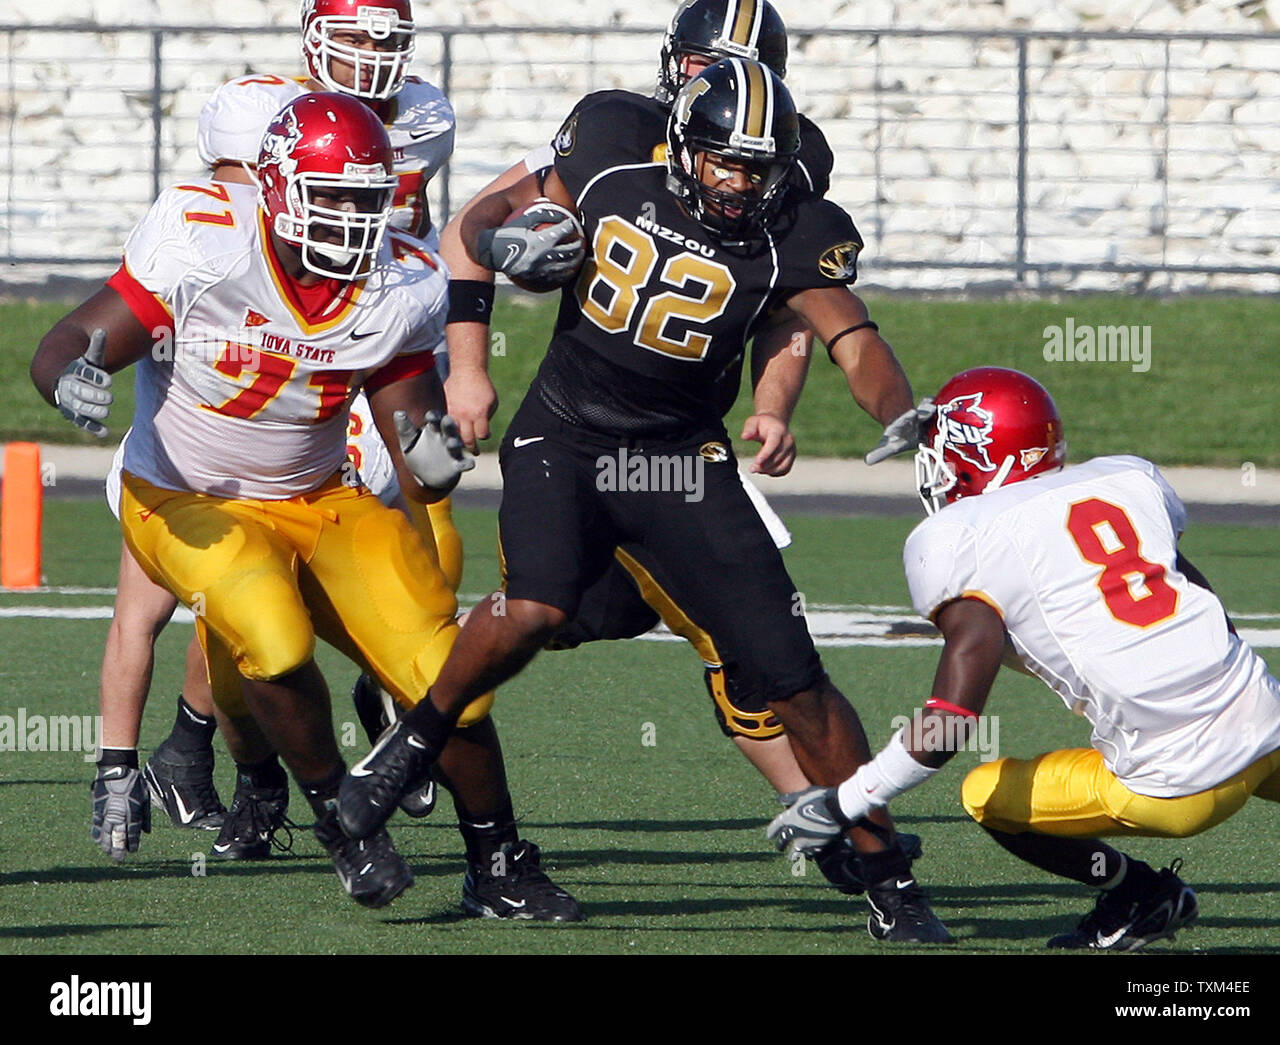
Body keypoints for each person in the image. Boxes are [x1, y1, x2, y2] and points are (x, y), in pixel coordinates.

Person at [339, 59, 949, 942]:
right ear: (687, 147)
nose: (742, 181)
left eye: (758, 166)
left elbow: (849, 333)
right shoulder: (615, 155)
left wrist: (901, 413)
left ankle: (888, 880)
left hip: (679, 458)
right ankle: (413, 742)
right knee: (540, 600)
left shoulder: (793, 226)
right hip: (567, 432)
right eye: (726, 161)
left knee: (793, 677)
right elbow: (478, 222)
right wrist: (491, 315)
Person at [35, 93, 580, 919]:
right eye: (330, 197)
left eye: (366, 199)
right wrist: (71, 373)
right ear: (279, 187)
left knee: (453, 679)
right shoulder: (208, 238)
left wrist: (437, 449)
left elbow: (414, 437)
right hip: (188, 494)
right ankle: (341, 819)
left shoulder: (397, 281)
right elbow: (75, 335)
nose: (351, 219)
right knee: (271, 631)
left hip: (322, 496)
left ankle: (498, 860)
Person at [90, 0, 459, 861]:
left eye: (388, 39)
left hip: (361, 337)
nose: (374, 55)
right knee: (244, 605)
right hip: (251, 364)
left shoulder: (427, 115)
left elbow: (410, 223)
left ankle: (395, 694)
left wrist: (437, 349)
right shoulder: (250, 120)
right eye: (357, 35)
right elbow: (230, 247)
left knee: (430, 542)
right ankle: (217, 761)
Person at [768, 366, 1280, 949]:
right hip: (1273, 722)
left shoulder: (961, 536)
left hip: (1180, 786)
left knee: (986, 793)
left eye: (943, 450)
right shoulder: (1126, 478)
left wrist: (846, 800)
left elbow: (951, 717)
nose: (938, 468)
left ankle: (1138, 893)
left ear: (977, 453)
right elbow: (1199, 597)